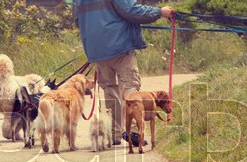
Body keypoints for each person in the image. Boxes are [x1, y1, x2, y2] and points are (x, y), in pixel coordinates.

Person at [74, 0, 174, 146]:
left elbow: (78, 21)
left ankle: (113, 134)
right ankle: (133, 131)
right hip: (119, 46)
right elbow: (132, 11)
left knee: (109, 90)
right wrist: (160, 12)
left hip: (96, 50)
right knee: (130, 87)